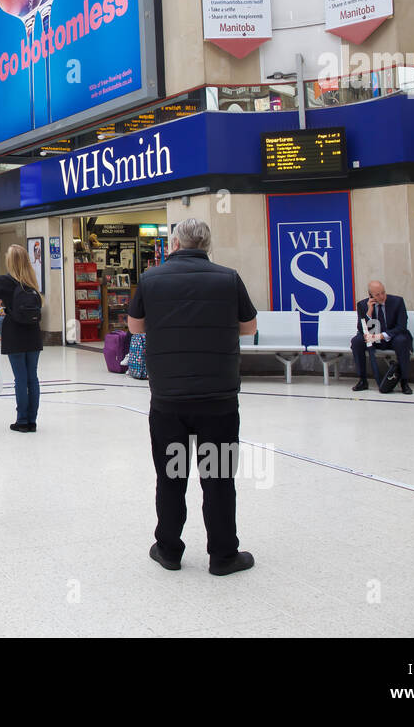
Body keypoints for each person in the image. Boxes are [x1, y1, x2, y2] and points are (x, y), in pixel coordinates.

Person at [127, 218, 257, 576]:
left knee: (171, 477)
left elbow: (135, 327)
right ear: (206, 244)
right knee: (218, 478)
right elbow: (249, 327)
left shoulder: (151, 279)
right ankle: (223, 555)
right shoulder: (228, 278)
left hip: (169, 400)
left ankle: (168, 549)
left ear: (175, 243)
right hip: (218, 400)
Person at [0, 244, 44, 433]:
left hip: (14, 333)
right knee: (32, 377)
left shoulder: (3, 281)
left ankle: (22, 420)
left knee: (20, 378)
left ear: (10, 261)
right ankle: (32, 421)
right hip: (33, 332)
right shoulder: (31, 280)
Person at [349, 280, 413, 395]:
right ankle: (362, 380)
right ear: (370, 295)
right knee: (356, 341)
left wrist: (381, 336)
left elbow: (401, 326)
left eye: (383, 292)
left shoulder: (397, 302)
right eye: (377, 294)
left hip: (392, 337)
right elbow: (361, 328)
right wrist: (369, 312)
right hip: (374, 338)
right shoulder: (363, 305)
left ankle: (404, 381)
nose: (382, 296)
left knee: (402, 341)